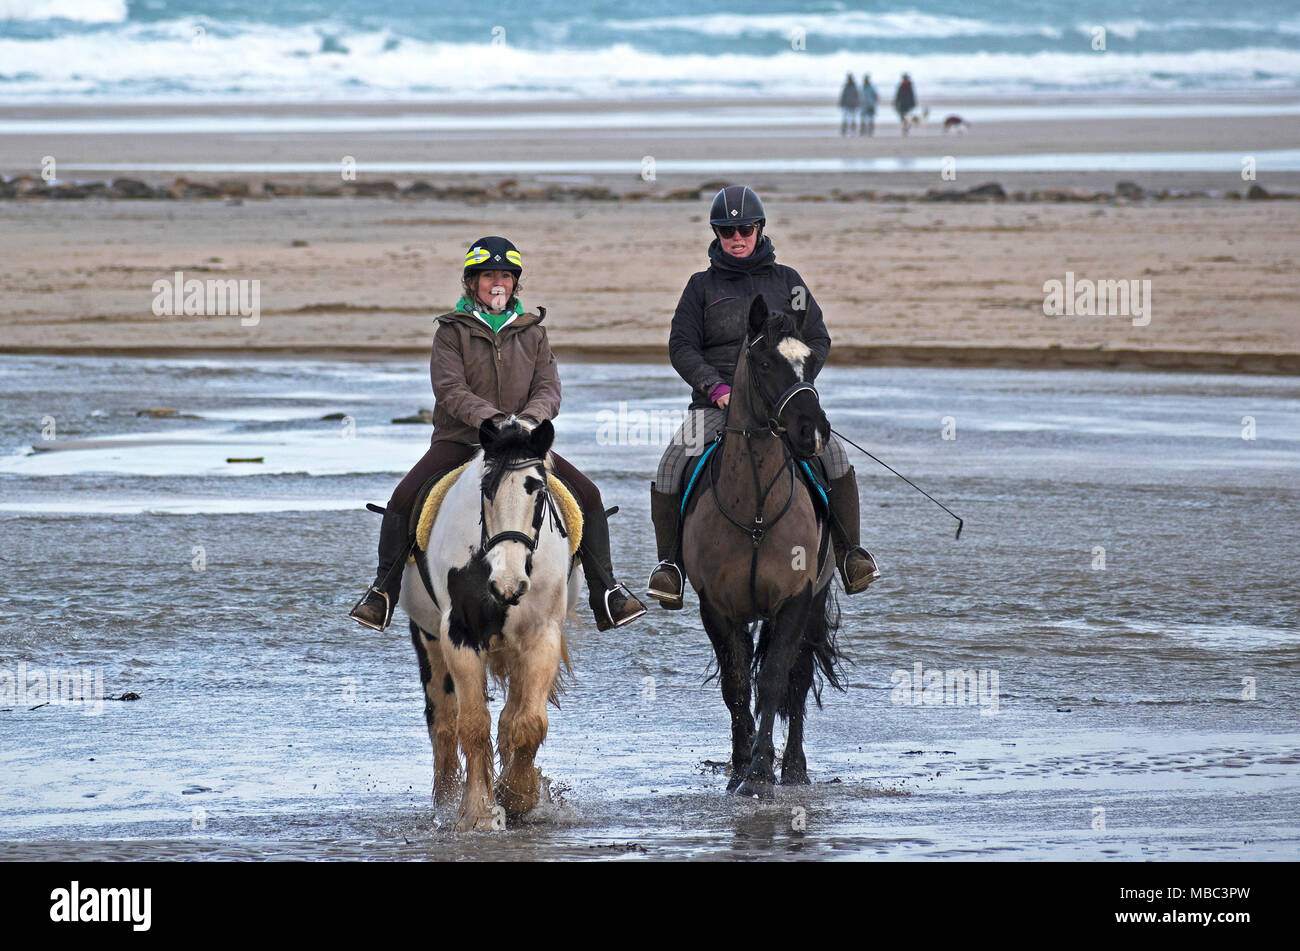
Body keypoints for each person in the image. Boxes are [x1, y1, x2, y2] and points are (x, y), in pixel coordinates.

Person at [349, 236, 646, 632]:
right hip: (461, 441)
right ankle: (382, 591)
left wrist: (526, 422)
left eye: (505, 275)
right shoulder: (450, 331)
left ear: (515, 282)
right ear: (472, 282)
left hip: (523, 442)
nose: (497, 283)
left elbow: (549, 389)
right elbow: (450, 390)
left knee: (588, 495)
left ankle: (606, 592)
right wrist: (492, 421)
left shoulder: (534, 332)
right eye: (489, 275)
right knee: (403, 497)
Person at [645, 186, 880, 608]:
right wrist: (714, 388)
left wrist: (797, 386)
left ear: (759, 229)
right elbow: (682, 346)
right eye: (727, 231)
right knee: (669, 467)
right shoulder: (700, 287)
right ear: (717, 234)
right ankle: (671, 567)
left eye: (745, 229)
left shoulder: (788, 282)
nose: (737, 238)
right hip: (717, 407)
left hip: (783, 406)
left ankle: (850, 555)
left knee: (836, 459)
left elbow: (817, 338)